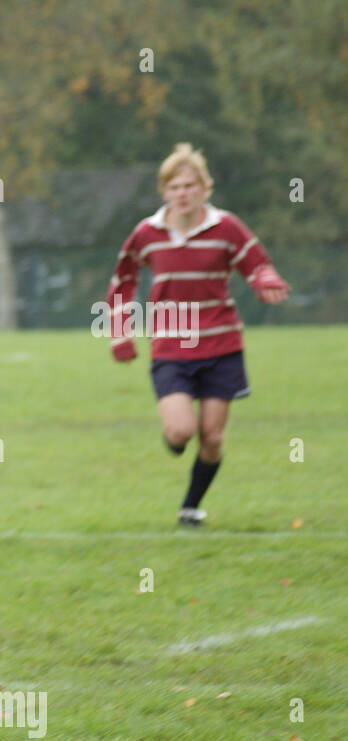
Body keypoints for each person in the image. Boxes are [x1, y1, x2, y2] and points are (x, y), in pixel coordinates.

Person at [106, 142, 288, 526]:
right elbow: (124, 279)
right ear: (164, 192)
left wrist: (265, 280)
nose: (182, 193)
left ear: (205, 188)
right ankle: (173, 440)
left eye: (190, 185)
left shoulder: (226, 227)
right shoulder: (147, 232)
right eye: (174, 187)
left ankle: (190, 507)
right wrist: (120, 332)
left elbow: (255, 263)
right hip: (172, 345)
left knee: (212, 438)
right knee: (181, 430)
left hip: (222, 345)